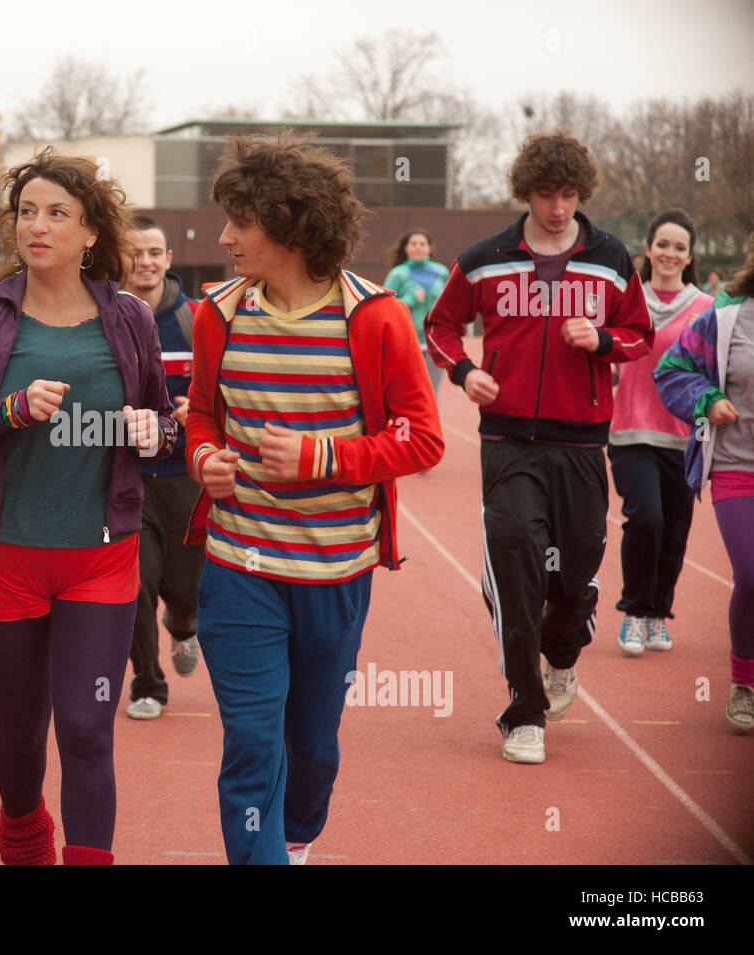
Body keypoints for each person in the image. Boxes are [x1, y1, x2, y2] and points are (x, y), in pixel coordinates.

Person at [184, 135, 443, 865]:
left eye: (242, 222)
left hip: (336, 571)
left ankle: (296, 840)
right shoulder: (219, 315)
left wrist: (321, 456)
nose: (226, 238)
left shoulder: (377, 318)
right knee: (252, 745)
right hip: (238, 567)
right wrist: (203, 455)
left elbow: (423, 440)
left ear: (290, 226)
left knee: (312, 750)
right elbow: (201, 411)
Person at [0, 149, 176, 865]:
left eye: (57, 212)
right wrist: (8, 412)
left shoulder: (127, 319)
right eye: (27, 211)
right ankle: (24, 839)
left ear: (91, 230)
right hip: (5, 559)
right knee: (22, 730)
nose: (38, 225)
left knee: (88, 729)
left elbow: (165, 424)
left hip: (101, 558)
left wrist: (158, 431)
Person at [425, 131, 653, 764]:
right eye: (547, 195)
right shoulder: (485, 257)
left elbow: (640, 333)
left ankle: (563, 653)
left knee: (573, 579)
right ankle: (525, 712)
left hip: (581, 443)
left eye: (569, 195)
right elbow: (440, 327)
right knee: (520, 562)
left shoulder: (609, 257)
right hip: (507, 440)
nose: (558, 208)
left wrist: (603, 341)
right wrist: (465, 373)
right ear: (526, 193)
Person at [655, 234, 754, 733]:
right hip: (738, 466)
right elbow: (672, 369)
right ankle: (744, 680)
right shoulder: (724, 318)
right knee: (752, 574)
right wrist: (707, 400)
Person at [608, 209, 712, 654]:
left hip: (685, 439)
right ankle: (634, 610)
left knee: (675, 530)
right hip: (631, 432)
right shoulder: (625, 301)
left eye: (680, 247)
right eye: (663, 244)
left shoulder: (707, 308)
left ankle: (657, 614)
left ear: (690, 257)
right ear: (648, 249)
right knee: (646, 519)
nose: (670, 253)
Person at [122, 215, 204, 721]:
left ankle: (184, 624)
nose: (145, 262)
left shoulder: (200, 318)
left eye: (154, 252)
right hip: (129, 482)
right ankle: (147, 684)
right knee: (135, 587)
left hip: (187, 480)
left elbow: (228, 388)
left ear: (169, 259)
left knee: (186, 589)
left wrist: (200, 412)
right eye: (135, 253)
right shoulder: (104, 315)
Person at [383, 229, 450, 395]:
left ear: (430, 248)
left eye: (422, 244)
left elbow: (450, 302)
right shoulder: (398, 274)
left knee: (431, 392)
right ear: (406, 248)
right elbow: (384, 307)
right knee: (407, 391)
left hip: (435, 340)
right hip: (407, 340)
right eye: (413, 244)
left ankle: (432, 422)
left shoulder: (441, 272)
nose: (418, 247)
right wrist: (410, 300)